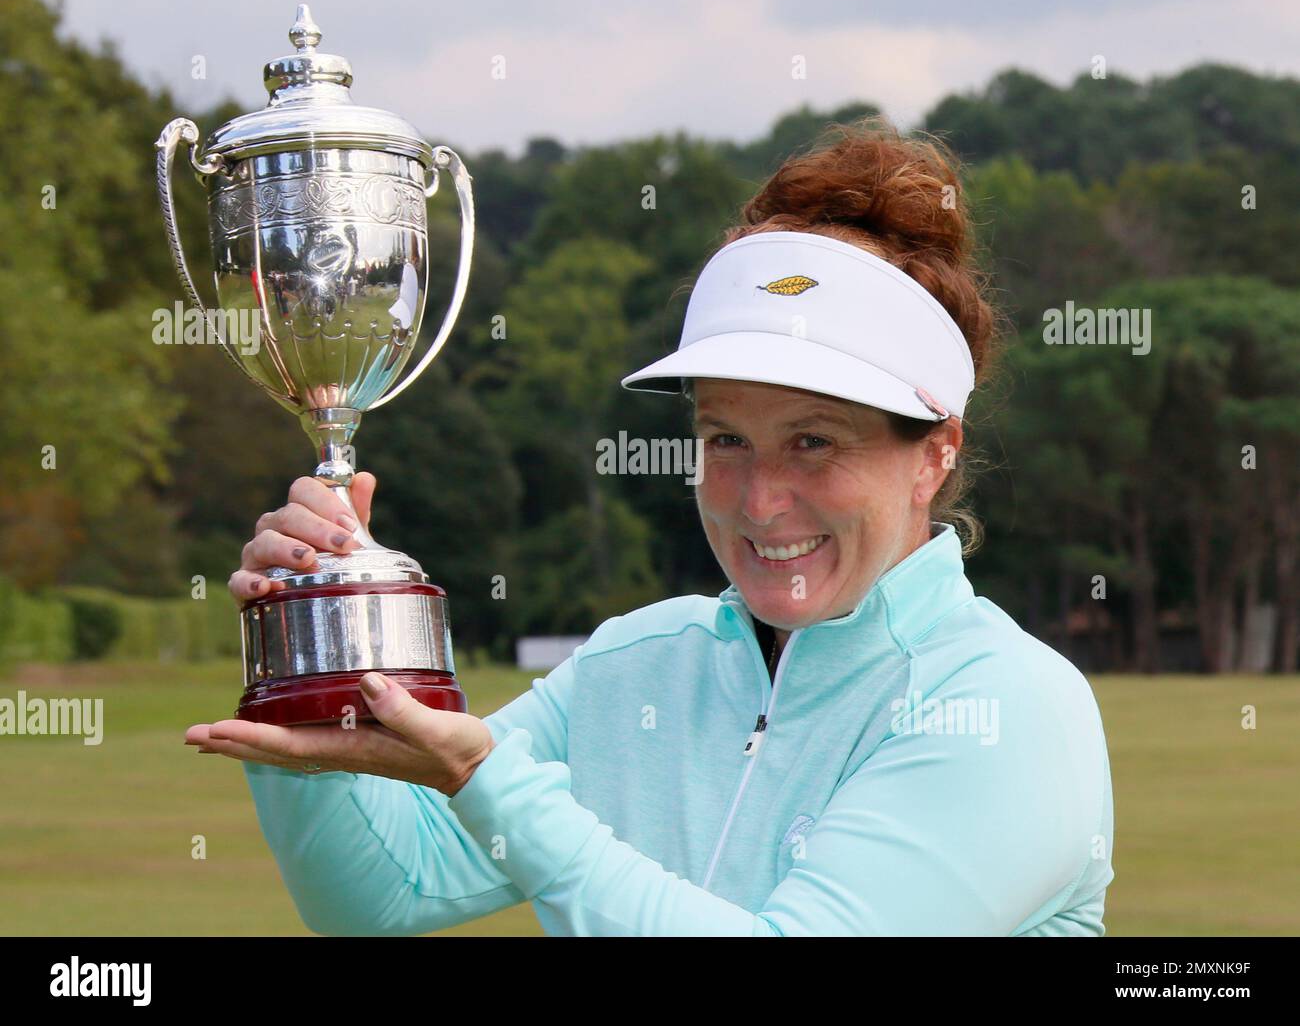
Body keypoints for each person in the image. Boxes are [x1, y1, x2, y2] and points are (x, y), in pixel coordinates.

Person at [186, 119, 1115, 936]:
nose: (759, 500)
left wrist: (497, 785)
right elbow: (381, 894)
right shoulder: (641, 663)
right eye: (726, 440)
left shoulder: (1010, 705)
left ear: (934, 453)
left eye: (814, 443)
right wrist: (312, 654)